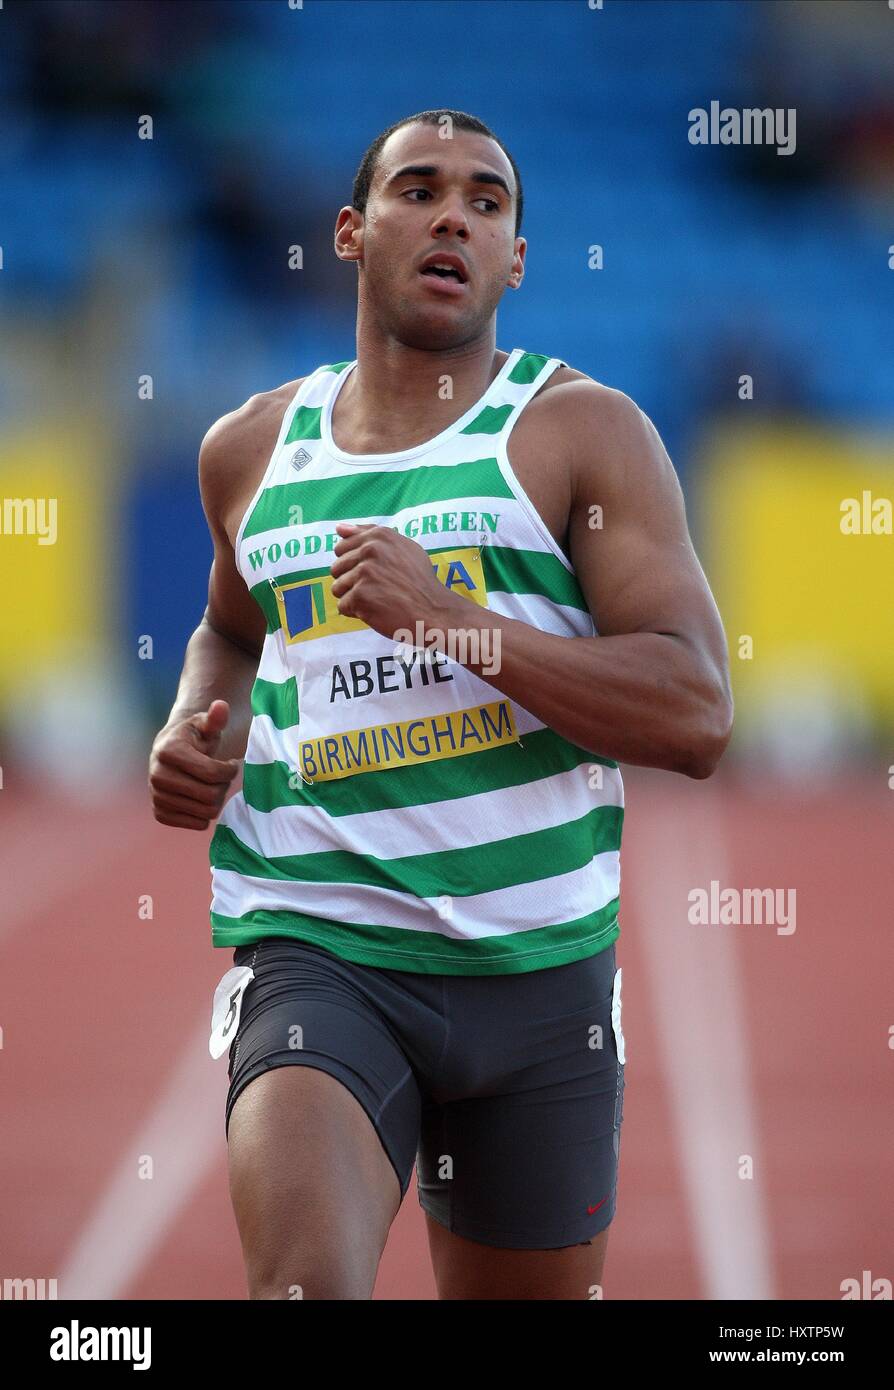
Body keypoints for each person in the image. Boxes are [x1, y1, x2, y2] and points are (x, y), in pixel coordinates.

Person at [148, 108, 733, 1300]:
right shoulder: (252, 451)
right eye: (418, 190)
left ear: (516, 257)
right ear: (352, 231)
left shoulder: (581, 434)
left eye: (486, 199)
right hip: (322, 947)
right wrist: (197, 718)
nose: (453, 215)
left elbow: (694, 711)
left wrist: (445, 619)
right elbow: (229, 629)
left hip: (541, 974)